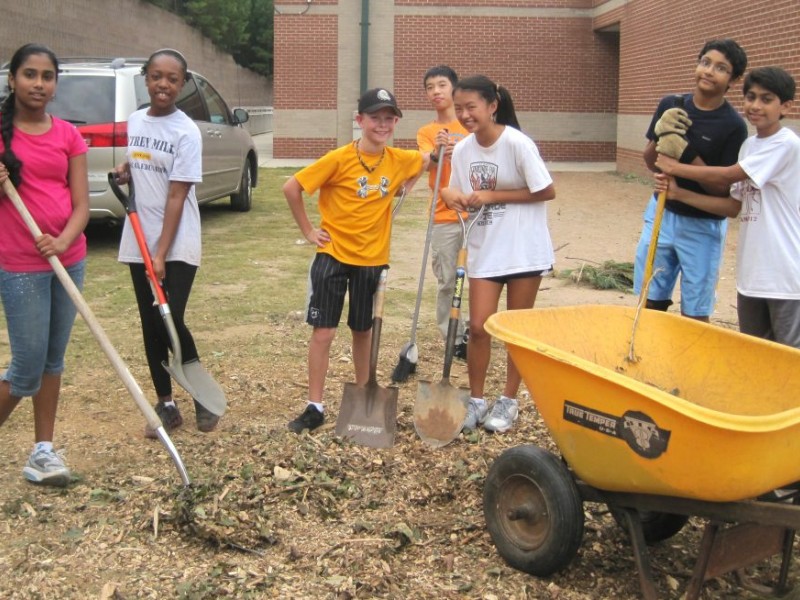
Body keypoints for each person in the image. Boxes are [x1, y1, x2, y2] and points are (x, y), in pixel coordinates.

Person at [284, 88, 428, 433]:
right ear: (359, 120)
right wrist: (308, 231)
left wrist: (406, 186)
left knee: (363, 329)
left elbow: (425, 158)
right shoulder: (338, 159)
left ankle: (365, 396)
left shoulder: (397, 159)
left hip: (372, 259)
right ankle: (315, 405)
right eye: (375, 117)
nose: (382, 124)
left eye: (389, 118)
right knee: (324, 331)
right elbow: (292, 187)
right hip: (333, 255)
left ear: (395, 122)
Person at [440, 75, 556, 434]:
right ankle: (476, 399)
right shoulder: (463, 151)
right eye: (459, 109)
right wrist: (450, 195)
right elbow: (461, 193)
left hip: (524, 251)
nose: (464, 115)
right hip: (485, 248)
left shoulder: (518, 144)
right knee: (477, 327)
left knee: (516, 332)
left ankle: (508, 401)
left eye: (471, 107)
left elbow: (546, 191)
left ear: (492, 106)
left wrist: (493, 196)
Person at [113, 49, 219, 438]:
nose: (163, 85)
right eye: (157, 76)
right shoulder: (136, 119)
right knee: (149, 323)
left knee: (170, 318)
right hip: (138, 237)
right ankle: (166, 403)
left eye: (172, 79)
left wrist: (160, 254)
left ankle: (203, 397)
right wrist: (128, 169)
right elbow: (141, 159)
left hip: (176, 243)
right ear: (146, 78)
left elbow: (177, 195)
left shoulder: (186, 131)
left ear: (182, 83)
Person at [655, 66, 800, 348]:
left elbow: (728, 175)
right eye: (750, 97)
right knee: (755, 356)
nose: (755, 105)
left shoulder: (787, 144)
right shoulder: (749, 146)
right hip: (752, 277)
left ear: (786, 106)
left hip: (786, 278)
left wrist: (677, 166)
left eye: (766, 99)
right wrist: (679, 194)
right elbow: (732, 207)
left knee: (791, 361)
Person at [0, 43, 89, 486]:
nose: (39, 84)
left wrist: (63, 241)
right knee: (27, 367)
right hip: (20, 265)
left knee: (53, 360)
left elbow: (82, 206)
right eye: (30, 75)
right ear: (13, 79)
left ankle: (43, 451)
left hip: (69, 260)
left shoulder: (68, 135)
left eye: (47, 76)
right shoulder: (1, 137)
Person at [634, 39, 748, 322]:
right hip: (660, 214)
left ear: (733, 79)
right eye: (705, 62)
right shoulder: (671, 105)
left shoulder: (732, 126)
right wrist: (661, 133)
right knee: (649, 300)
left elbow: (721, 189)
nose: (709, 71)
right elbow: (652, 161)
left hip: (702, 225)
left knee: (695, 312)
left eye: (721, 68)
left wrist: (687, 153)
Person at [417, 65, 469, 358]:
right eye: (429, 87)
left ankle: (475, 331)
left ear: (454, 89)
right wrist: (437, 152)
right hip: (443, 217)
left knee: (479, 278)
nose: (435, 91)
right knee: (448, 279)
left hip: (475, 214)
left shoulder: (470, 126)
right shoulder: (426, 132)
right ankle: (454, 336)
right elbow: (426, 161)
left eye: (441, 85)